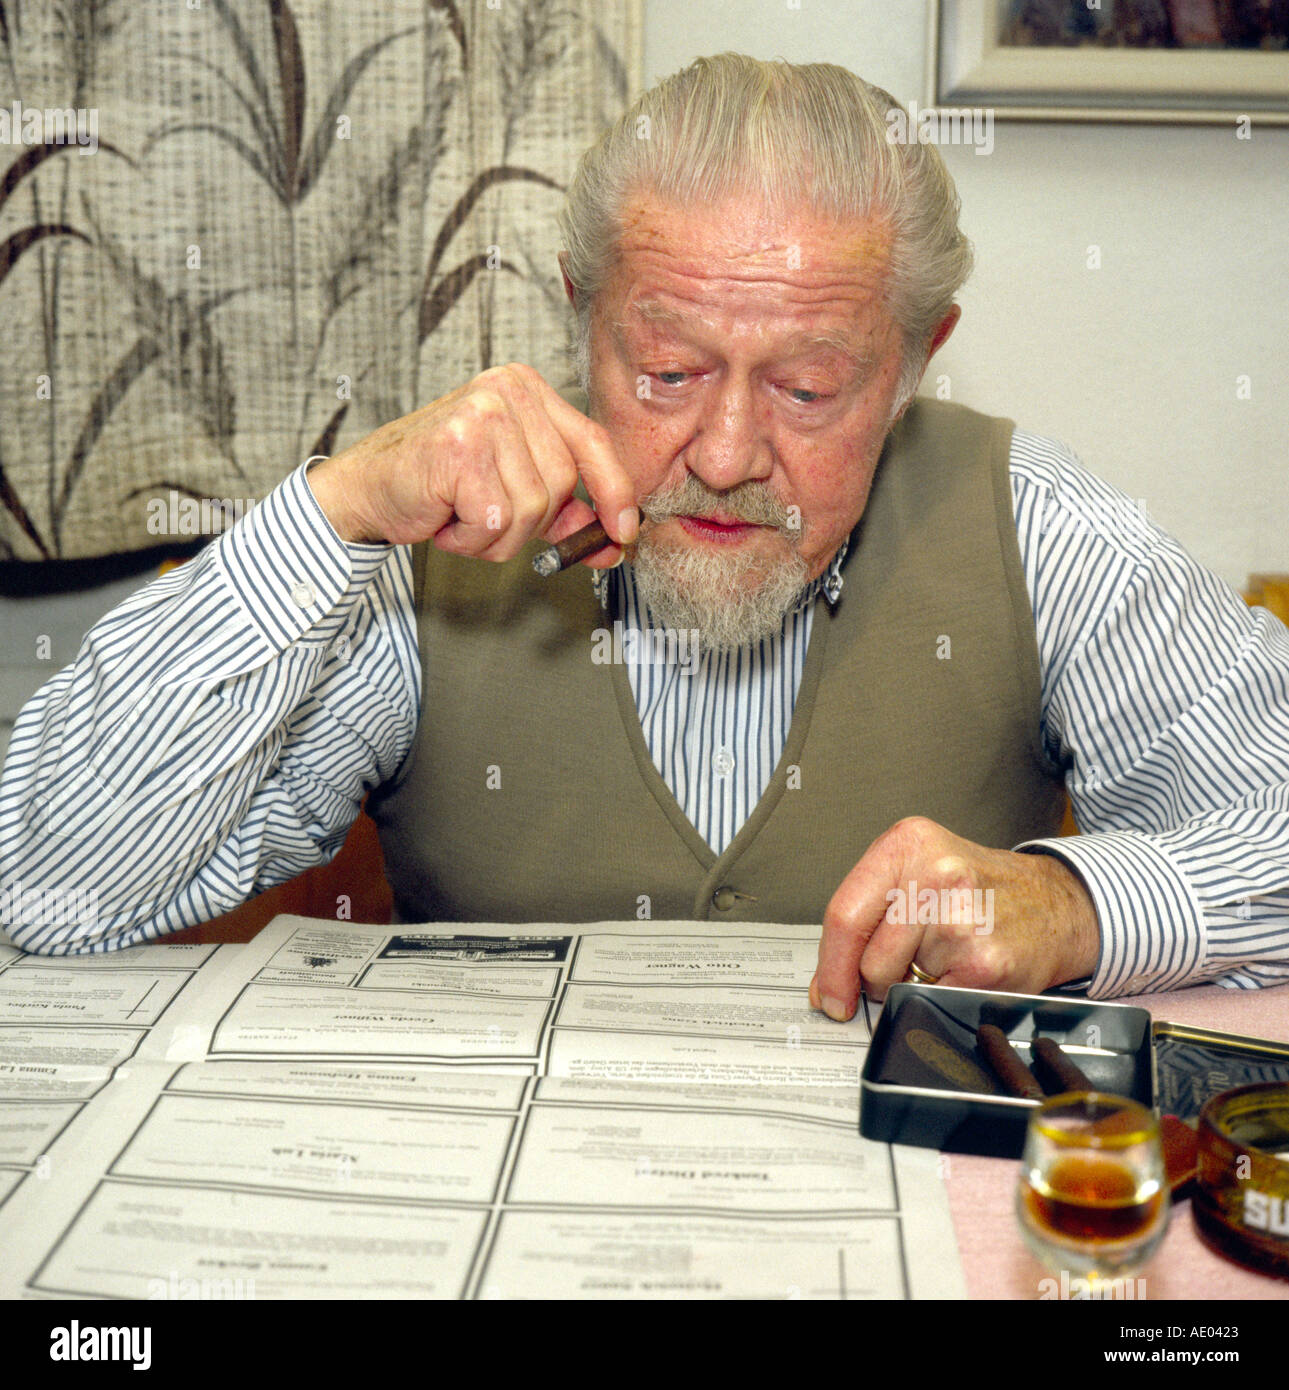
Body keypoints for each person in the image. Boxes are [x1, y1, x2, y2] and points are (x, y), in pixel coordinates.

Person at [2, 56, 1286, 1017]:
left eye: (805, 389)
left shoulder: (1029, 520)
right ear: (582, 314)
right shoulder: (437, 543)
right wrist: (332, 511)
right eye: (664, 369)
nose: (725, 457)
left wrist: (1071, 902)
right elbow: (44, 886)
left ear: (912, 362)